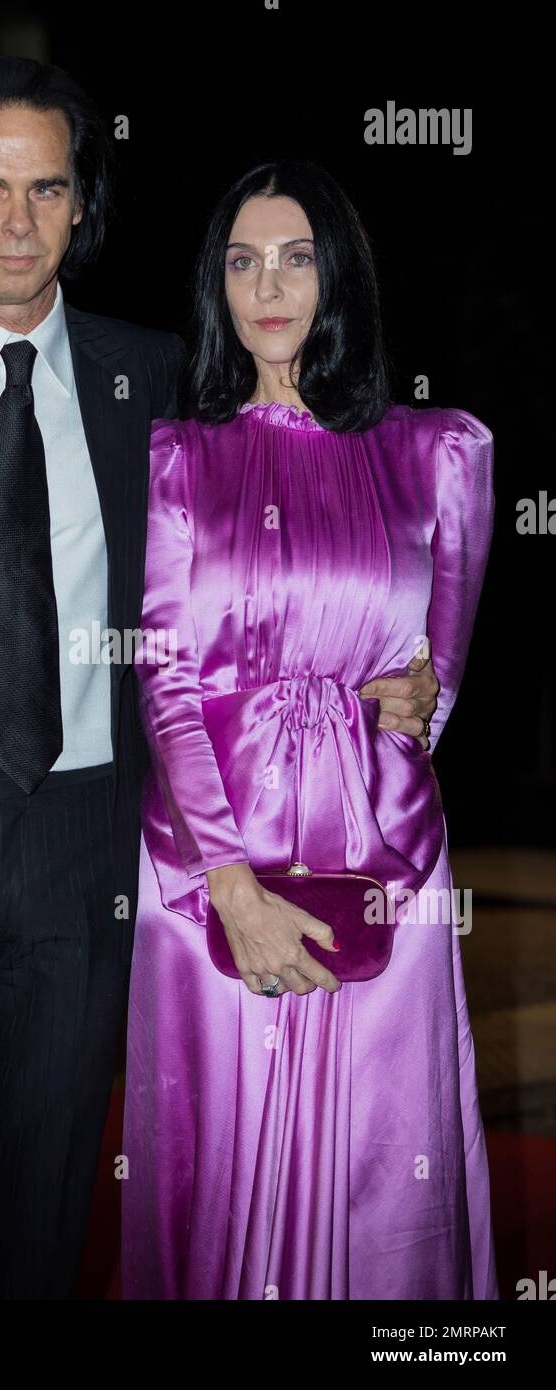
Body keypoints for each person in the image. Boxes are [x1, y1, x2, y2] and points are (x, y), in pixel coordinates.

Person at [0, 55, 437, 1300]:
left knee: (44, 1224)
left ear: (81, 204)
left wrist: (407, 658)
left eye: (48, 188)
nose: (18, 221)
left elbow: (282, 542)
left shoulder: (157, 381)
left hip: (79, 847)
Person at [121, 160, 499, 1300]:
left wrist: (417, 696)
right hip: (207, 878)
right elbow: (165, 680)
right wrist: (229, 882)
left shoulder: (437, 454)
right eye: (241, 261)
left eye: (294, 256)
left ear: (339, 273)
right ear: (215, 286)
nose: (267, 285)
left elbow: (430, 688)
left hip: (386, 860)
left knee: (381, 1183)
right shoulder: (177, 460)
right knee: (217, 1178)